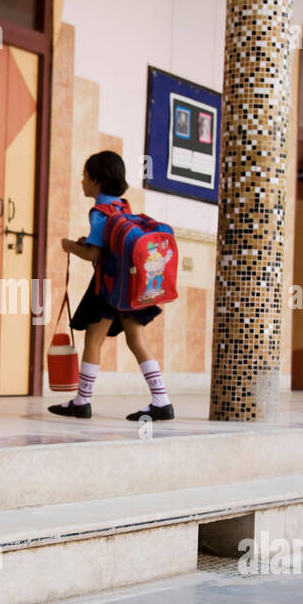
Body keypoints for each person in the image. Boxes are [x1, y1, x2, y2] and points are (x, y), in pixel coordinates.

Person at [48, 151, 175, 421]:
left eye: (84, 176)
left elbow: (94, 255)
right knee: (136, 339)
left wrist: (70, 246)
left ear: (96, 180)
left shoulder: (99, 212)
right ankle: (161, 400)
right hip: (132, 286)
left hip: (107, 287)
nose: (81, 181)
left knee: (94, 340)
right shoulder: (123, 207)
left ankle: (82, 401)